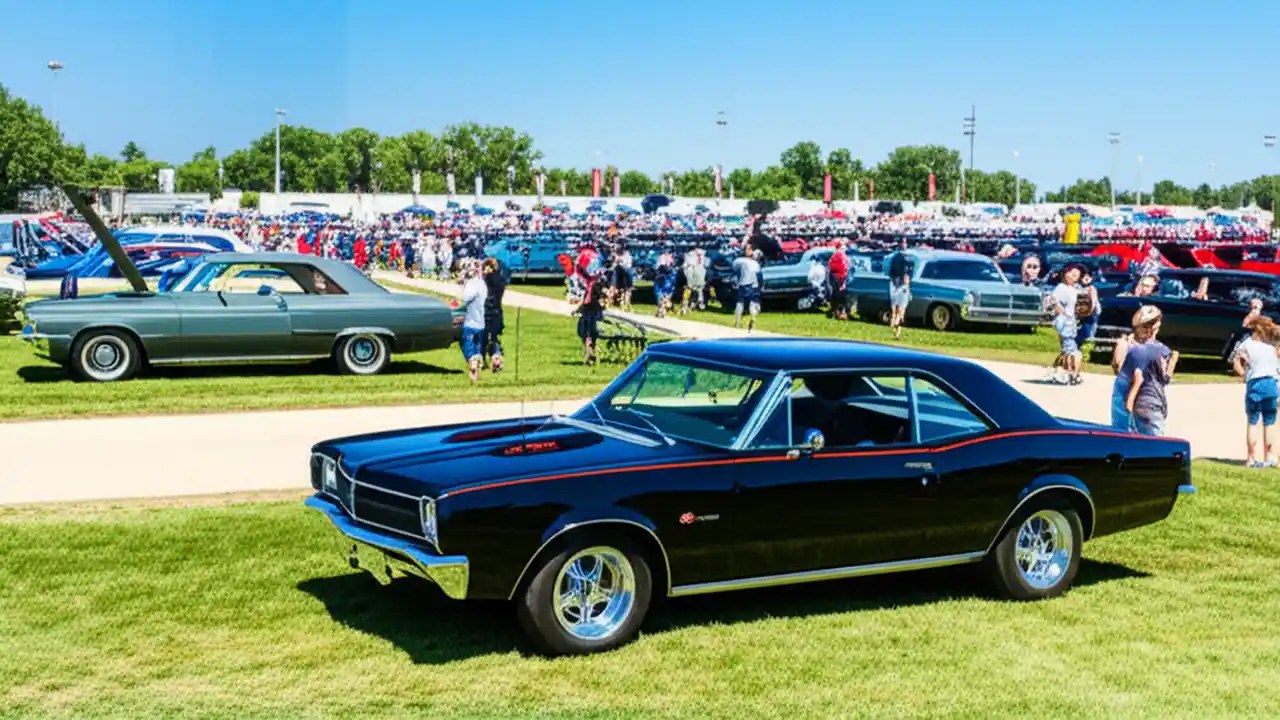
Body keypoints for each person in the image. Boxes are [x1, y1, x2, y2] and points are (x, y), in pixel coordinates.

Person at [1232, 316, 1280, 467]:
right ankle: (1270, 456)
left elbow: (1236, 364)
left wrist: (1244, 376)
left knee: (1253, 421)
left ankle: (1251, 457)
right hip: (1272, 384)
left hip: (1255, 383)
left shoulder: (1246, 345)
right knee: (1269, 422)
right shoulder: (1271, 348)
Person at [1125, 306, 1179, 436]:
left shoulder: (1133, 350)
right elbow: (1165, 379)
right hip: (1153, 400)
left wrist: (1129, 402)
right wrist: (1173, 361)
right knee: (1155, 444)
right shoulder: (1163, 351)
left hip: (1138, 402)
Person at [1051, 265, 1084, 385]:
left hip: (1071, 322)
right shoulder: (1061, 288)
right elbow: (1053, 301)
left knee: (1070, 349)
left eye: (1076, 275)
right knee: (1069, 349)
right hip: (1065, 322)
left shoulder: (1074, 289)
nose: (1073, 276)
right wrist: (1062, 314)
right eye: (1071, 273)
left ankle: (1071, 373)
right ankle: (1070, 373)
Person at [458, 261, 488, 385]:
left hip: (471, 323)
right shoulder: (483, 284)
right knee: (477, 346)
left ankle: (473, 360)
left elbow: (464, 300)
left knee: (466, 343)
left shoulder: (471, 285)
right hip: (483, 324)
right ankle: (475, 378)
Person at [576, 268, 605, 365]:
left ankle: (589, 353)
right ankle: (590, 352)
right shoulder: (592, 285)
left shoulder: (595, 285)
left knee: (587, 334)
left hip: (591, 312)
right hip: (590, 312)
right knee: (589, 334)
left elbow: (597, 299)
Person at [481, 257, 506, 373]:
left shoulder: (485, 280)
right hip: (497, 312)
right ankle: (497, 357)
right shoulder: (501, 280)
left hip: (486, 311)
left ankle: (482, 360)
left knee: (483, 338)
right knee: (495, 338)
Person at [732, 249, 763, 332]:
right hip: (754, 285)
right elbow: (759, 276)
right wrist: (761, 286)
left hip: (743, 284)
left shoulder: (739, 261)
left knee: (740, 302)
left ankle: (737, 322)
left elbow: (734, 270)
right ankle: (753, 317)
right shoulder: (756, 264)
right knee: (753, 302)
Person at [886, 239, 912, 340]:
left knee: (895, 310)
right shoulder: (906, 259)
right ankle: (897, 332)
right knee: (901, 310)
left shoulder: (893, 258)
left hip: (894, 285)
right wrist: (908, 288)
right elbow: (906, 276)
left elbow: (891, 273)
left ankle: (894, 328)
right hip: (902, 286)